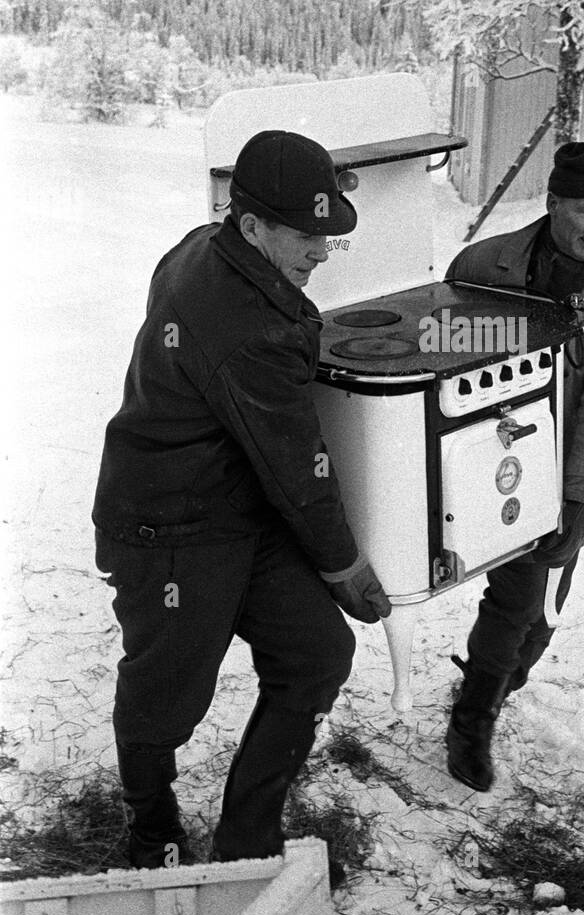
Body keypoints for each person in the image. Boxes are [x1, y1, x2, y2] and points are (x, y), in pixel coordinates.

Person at [92, 130, 391, 870]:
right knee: (166, 697)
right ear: (252, 225)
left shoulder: (208, 243)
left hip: (237, 510)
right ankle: (150, 825)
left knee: (317, 653)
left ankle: (247, 838)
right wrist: (345, 568)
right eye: (305, 235)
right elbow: (297, 467)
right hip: (170, 523)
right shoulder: (243, 322)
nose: (321, 251)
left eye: (328, 236)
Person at [444, 141, 584, 791]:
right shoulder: (484, 265)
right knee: (512, 599)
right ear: (553, 203)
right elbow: (444, 360)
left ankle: (499, 684)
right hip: (490, 457)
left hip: (563, 470)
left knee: (541, 619)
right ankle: (474, 719)